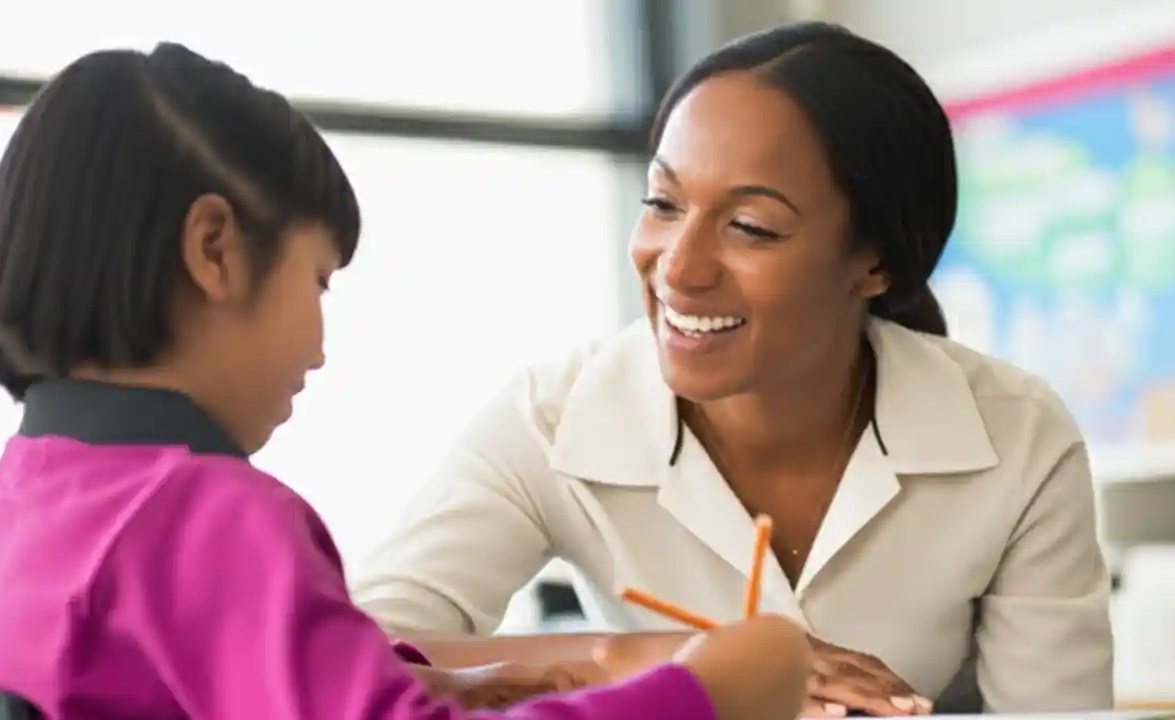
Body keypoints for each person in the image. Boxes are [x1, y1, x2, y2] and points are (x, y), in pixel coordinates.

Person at [0, 43, 814, 720]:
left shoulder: (27, 498)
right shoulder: (208, 517)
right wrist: (702, 693)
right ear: (214, 250)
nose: (318, 350)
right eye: (316, 282)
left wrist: (460, 688)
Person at [352, 21, 1115, 717]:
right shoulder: (552, 418)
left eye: (752, 226)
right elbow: (353, 667)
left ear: (874, 261)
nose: (678, 269)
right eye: (662, 203)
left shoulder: (1015, 435)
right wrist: (653, 662)